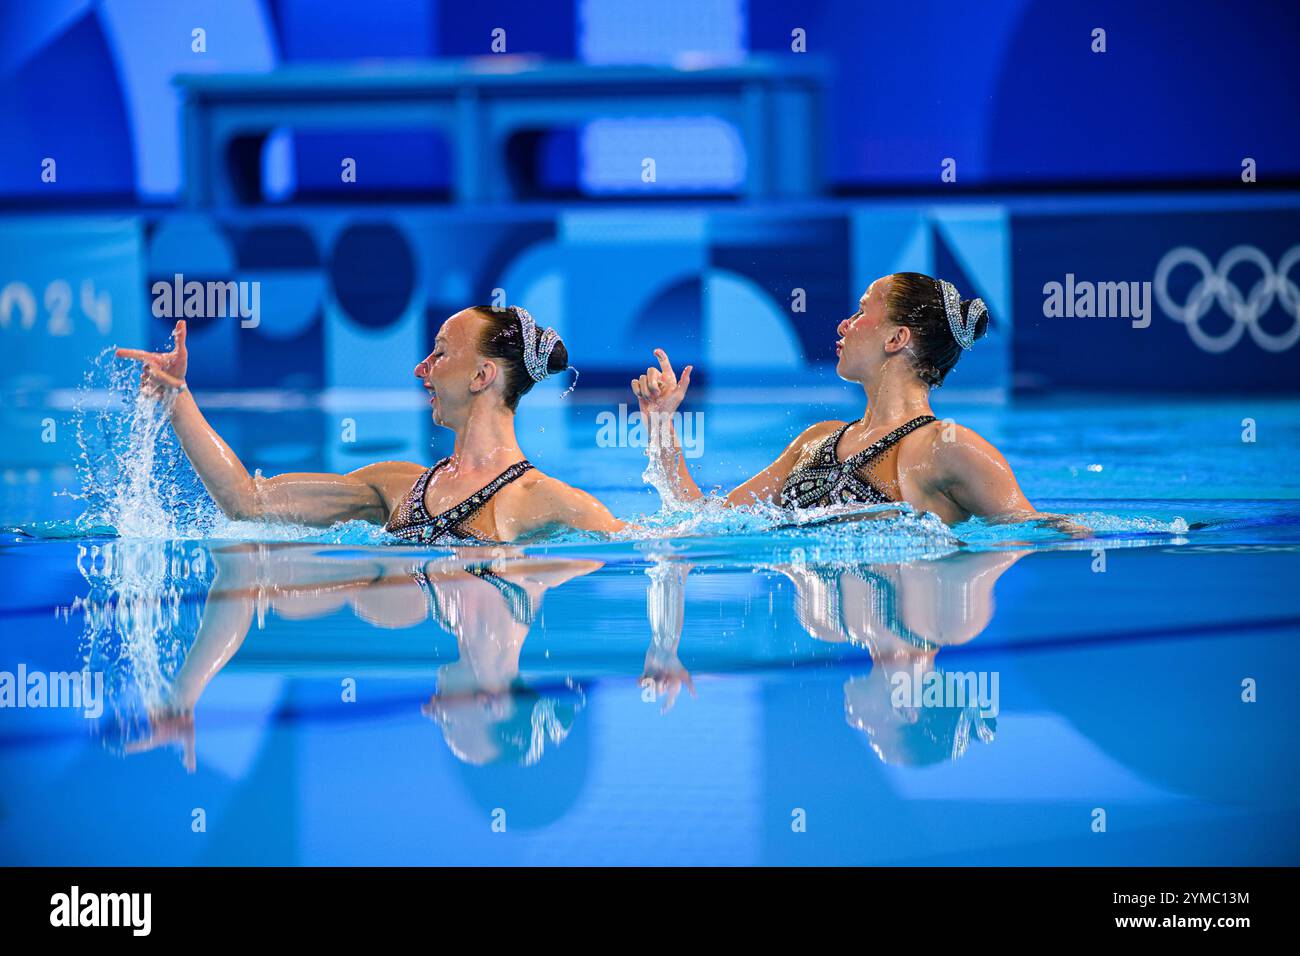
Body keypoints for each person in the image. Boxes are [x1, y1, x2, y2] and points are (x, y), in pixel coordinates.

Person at [115, 306, 625, 543]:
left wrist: (664, 440)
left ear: (481, 375)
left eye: (440, 353)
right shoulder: (394, 486)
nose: (420, 367)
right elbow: (250, 503)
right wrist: (178, 398)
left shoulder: (546, 499)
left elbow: (663, 549)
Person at [632, 272, 1067, 526]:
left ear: (897, 338)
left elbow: (1037, 532)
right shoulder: (815, 442)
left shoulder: (947, 447)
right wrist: (661, 424)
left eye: (861, 312)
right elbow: (700, 520)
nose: (844, 324)